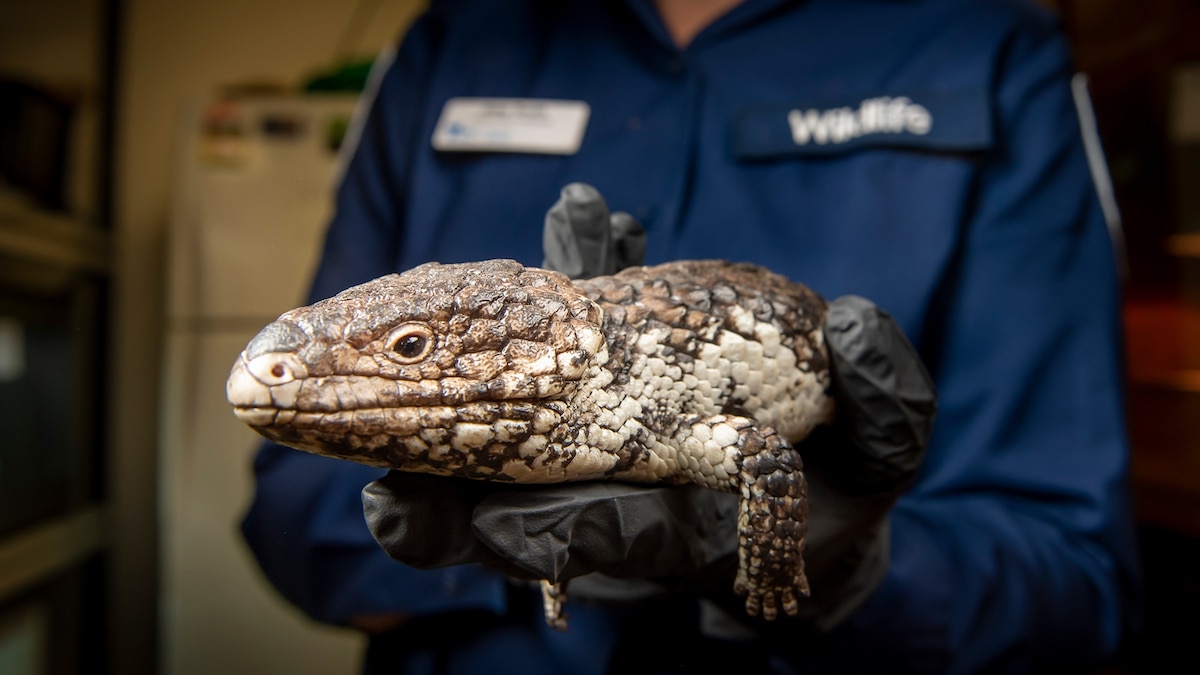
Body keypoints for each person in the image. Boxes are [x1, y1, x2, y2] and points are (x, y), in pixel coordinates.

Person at [239, 0, 1141, 672]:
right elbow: (294, 511)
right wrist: (520, 551)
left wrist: (852, 573)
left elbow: (1078, 587)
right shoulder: (449, 41)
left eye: (410, 350)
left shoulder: (985, 46)